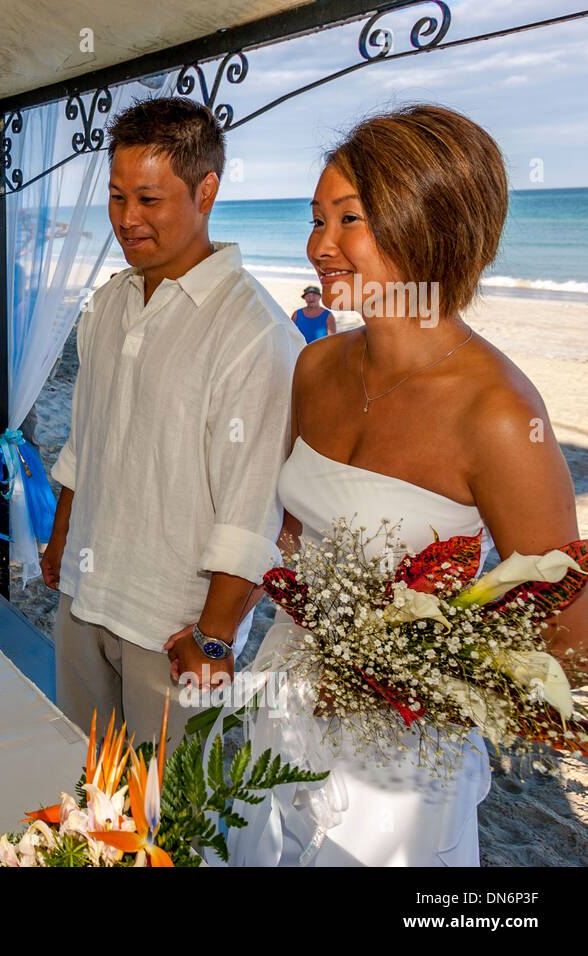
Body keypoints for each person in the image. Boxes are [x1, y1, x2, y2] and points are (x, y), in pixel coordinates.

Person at [229, 106, 584, 867]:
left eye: (347, 219)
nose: (318, 246)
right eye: (316, 219)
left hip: (396, 756)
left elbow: (569, 623)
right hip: (284, 692)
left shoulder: (497, 413)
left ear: (429, 224)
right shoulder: (316, 367)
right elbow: (292, 535)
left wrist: (411, 666)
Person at [40, 97, 304, 752]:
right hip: (84, 592)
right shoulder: (107, 304)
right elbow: (87, 439)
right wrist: (60, 540)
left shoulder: (256, 334)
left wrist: (213, 637)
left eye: (149, 200)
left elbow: (254, 512)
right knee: (83, 792)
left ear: (205, 190)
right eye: (117, 197)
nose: (127, 221)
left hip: (172, 626)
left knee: (169, 825)